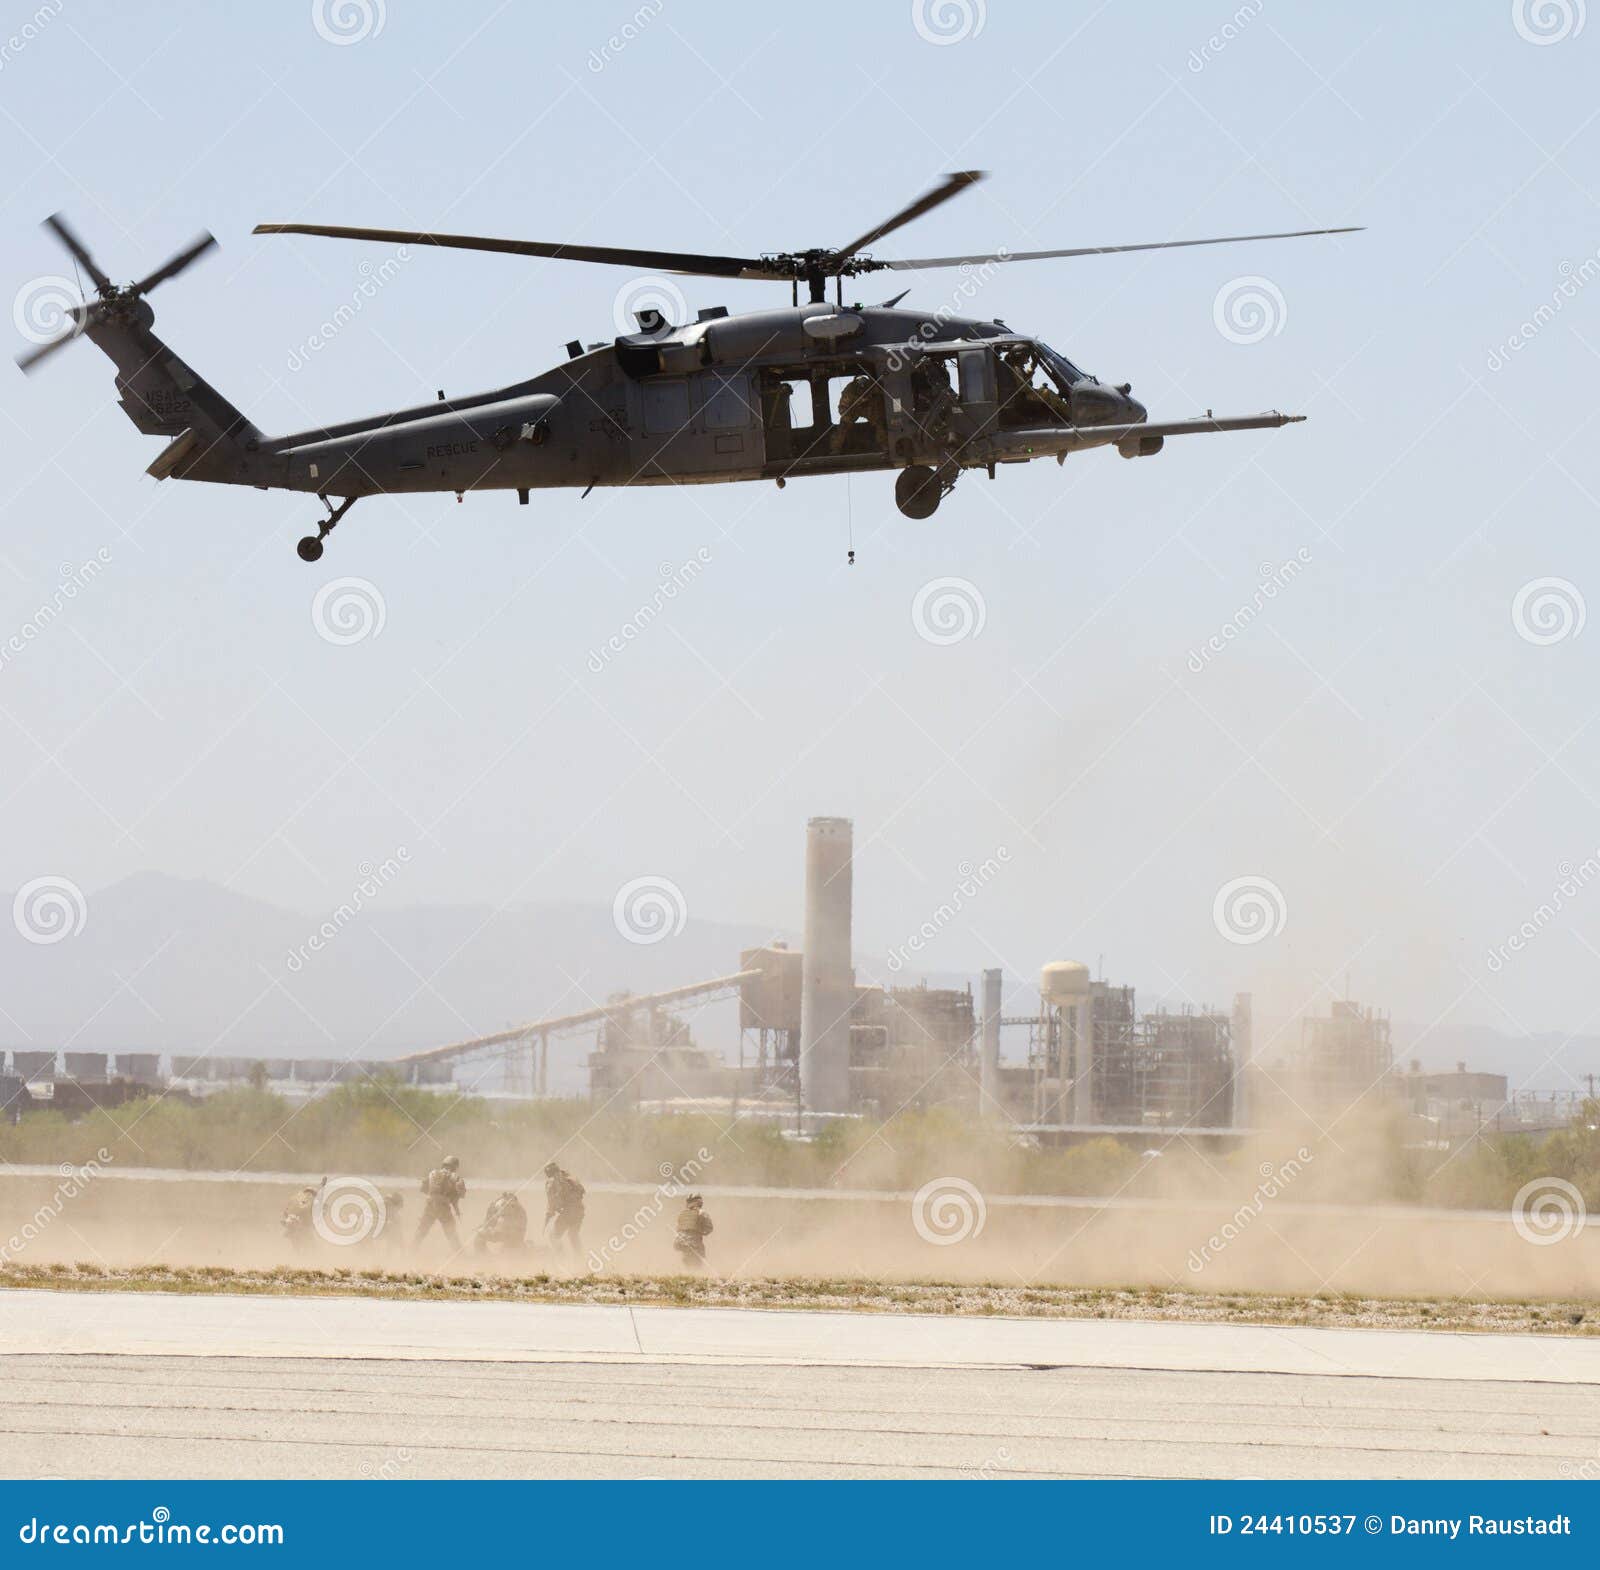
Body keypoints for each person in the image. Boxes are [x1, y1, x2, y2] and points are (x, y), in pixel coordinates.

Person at [415, 1154, 465, 1249]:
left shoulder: (433, 1173)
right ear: (455, 1166)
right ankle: (459, 1254)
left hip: (430, 1205)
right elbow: (459, 1195)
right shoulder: (455, 1177)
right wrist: (456, 1209)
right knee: (451, 1232)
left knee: (422, 1229)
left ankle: (411, 1250)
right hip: (443, 1207)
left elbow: (423, 1189)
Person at [830, 371, 884, 454]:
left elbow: (880, 394)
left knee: (880, 423)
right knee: (843, 425)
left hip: (869, 408)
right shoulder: (850, 389)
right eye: (859, 380)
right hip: (853, 409)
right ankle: (835, 449)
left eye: (863, 380)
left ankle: (885, 445)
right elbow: (843, 407)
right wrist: (848, 413)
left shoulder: (872, 385)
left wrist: (872, 397)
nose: (861, 383)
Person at [543, 1161, 586, 1257]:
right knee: (573, 1235)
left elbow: (552, 1200)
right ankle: (580, 1258)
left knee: (553, 1236)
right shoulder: (569, 1177)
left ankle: (562, 1258)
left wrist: (549, 1214)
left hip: (568, 1212)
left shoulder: (552, 1181)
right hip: (579, 1210)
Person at [475, 1191, 529, 1255]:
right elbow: (489, 1221)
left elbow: (489, 1221)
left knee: (480, 1236)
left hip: (512, 1236)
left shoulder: (517, 1210)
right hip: (511, 1235)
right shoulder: (519, 1209)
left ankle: (486, 1256)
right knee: (481, 1236)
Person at [281, 1179, 323, 1253]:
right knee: (305, 1245)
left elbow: (286, 1212)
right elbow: (287, 1212)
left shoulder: (311, 1203)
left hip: (302, 1227)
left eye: (311, 1195)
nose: (309, 1196)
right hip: (299, 1227)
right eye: (308, 1194)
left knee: (307, 1245)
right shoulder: (300, 1201)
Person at [673, 1193, 714, 1269]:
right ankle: (694, 1272)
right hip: (694, 1243)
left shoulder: (682, 1213)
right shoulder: (702, 1212)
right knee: (698, 1261)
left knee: (687, 1258)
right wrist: (701, 1232)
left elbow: (678, 1229)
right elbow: (709, 1228)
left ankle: (688, 1272)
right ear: (699, 1202)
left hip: (680, 1241)